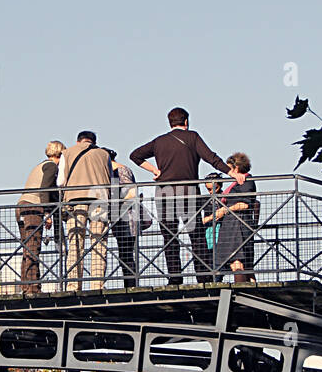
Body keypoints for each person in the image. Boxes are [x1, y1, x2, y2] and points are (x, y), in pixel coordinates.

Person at [129, 106, 242, 286]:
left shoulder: (159, 141)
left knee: (170, 238)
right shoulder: (193, 137)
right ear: (186, 121)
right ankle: (203, 278)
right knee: (196, 236)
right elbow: (211, 158)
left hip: (164, 194)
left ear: (170, 122)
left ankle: (175, 278)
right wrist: (231, 173)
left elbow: (134, 155)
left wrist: (154, 170)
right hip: (189, 193)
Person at [57, 131, 113, 292]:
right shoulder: (104, 154)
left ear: (77, 141)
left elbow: (60, 181)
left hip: (75, 200)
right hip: (100, 199)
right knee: (98, 242)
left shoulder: (66, 154)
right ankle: (97, 284)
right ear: (94, 142)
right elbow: (110, 179)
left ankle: (74, 285)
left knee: (75, 242)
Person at [17, 141, 65, 294]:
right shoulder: (52, 166)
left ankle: (26, 286)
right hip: (33, 206)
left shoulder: (40, 165)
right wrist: (47, 213)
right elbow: (44, 189)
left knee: (27, 249)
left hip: (22, 205)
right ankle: (33, 288)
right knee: (33, 248)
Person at [213, 153, 258, 283]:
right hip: (236, 224)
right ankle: (254, 292)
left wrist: (224, 210)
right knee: (246, 266)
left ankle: (241, 292)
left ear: (236, 167)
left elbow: (245, 204)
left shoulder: (245, 182)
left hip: (236, 225)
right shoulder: (242, 182)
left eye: (230, 169)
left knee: (236, 262)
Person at [108, 151, 144, 290]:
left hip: (126, 218)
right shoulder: (122, 169)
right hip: (125, 217)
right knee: (126, 253)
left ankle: (130, 284)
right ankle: (129, 283)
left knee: (126, 254)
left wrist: (116, 202)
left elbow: (131, 192)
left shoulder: (120, 170)